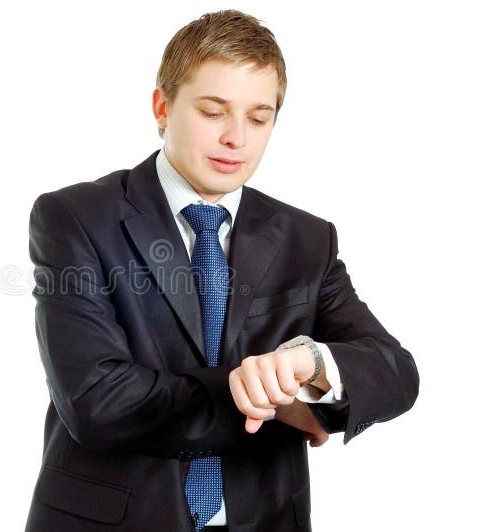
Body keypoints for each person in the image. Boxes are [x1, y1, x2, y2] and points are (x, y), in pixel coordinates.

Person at [24, 9, 419, 532]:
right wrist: (275, 404)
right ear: (163, 107)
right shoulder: (75, 218)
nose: (237, 138)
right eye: (213, 112)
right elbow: (97, 401)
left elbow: (395, 372)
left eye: (259, 118)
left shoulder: (307, 239)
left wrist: (315, 367)